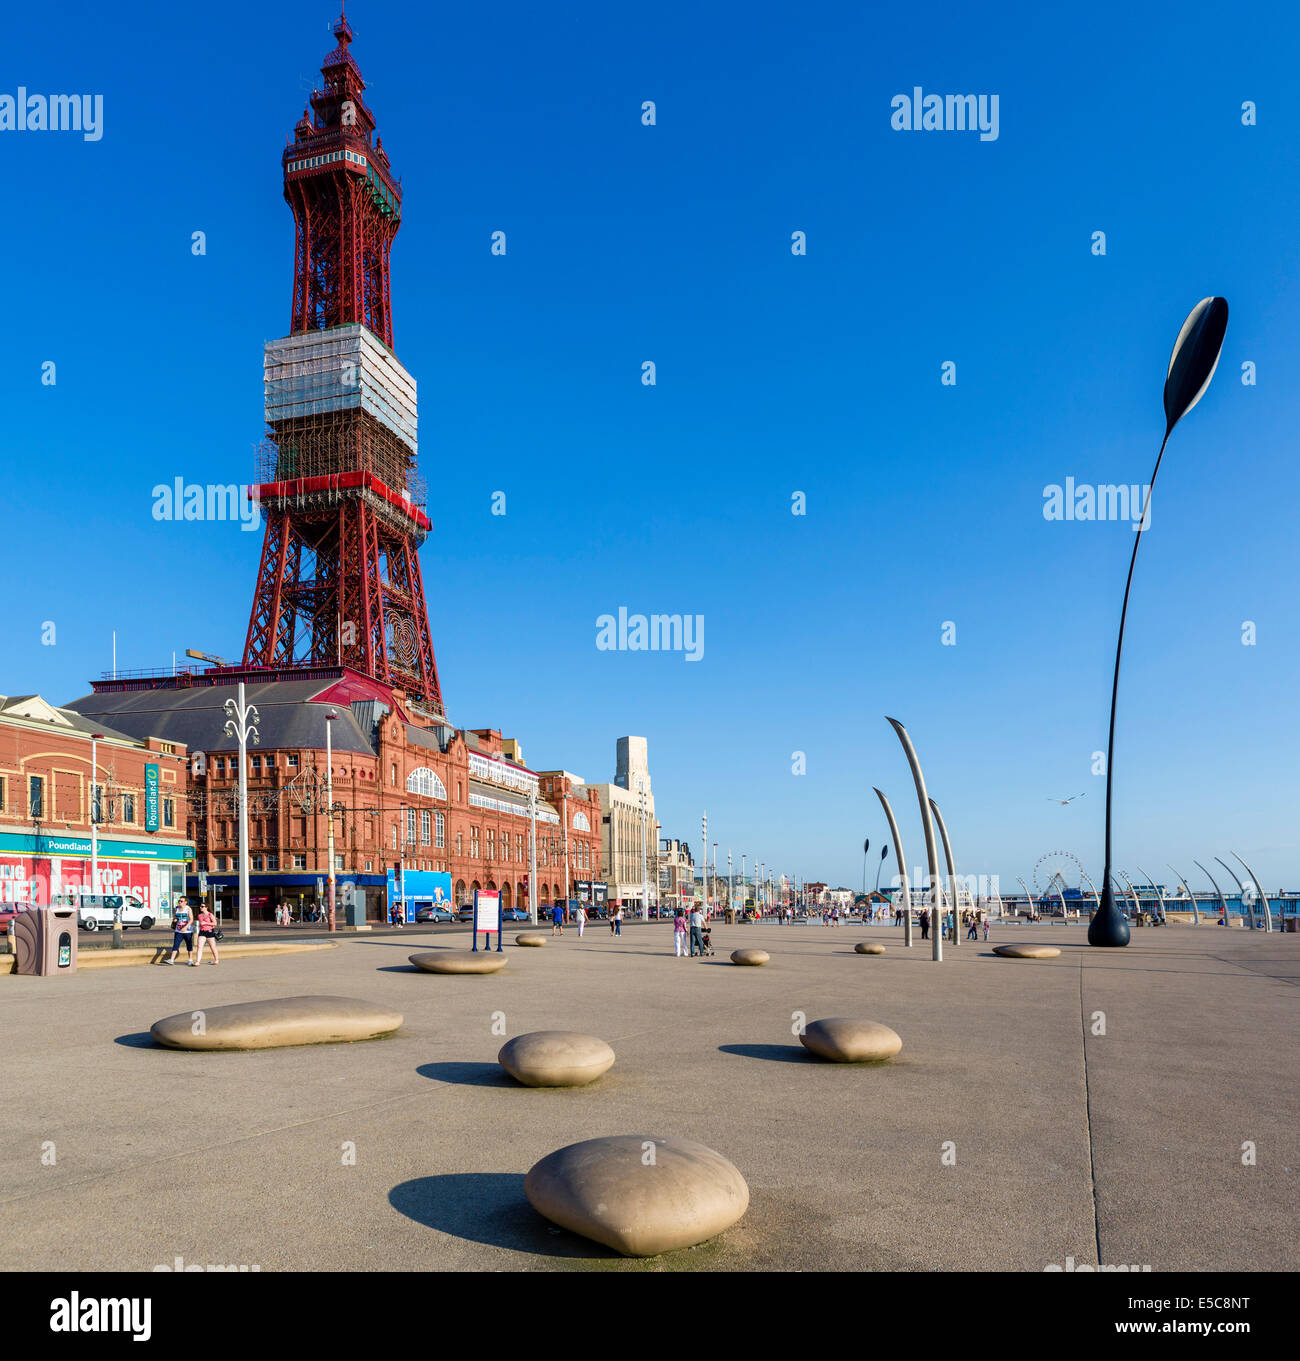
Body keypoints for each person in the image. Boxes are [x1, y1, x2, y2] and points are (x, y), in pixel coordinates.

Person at [166, 899, 195, 965]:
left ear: (185, 902)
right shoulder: (177, 909)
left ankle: (190, 960)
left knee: (189, 945)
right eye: (179, 901)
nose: (179, 902)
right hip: (178, 930)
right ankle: (171, 960)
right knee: (176, 944)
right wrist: (175, 920)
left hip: (187, 931)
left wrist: (185, 927)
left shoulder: (188, 909)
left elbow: (191, 919)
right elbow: (175, 917)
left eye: (181, 901)